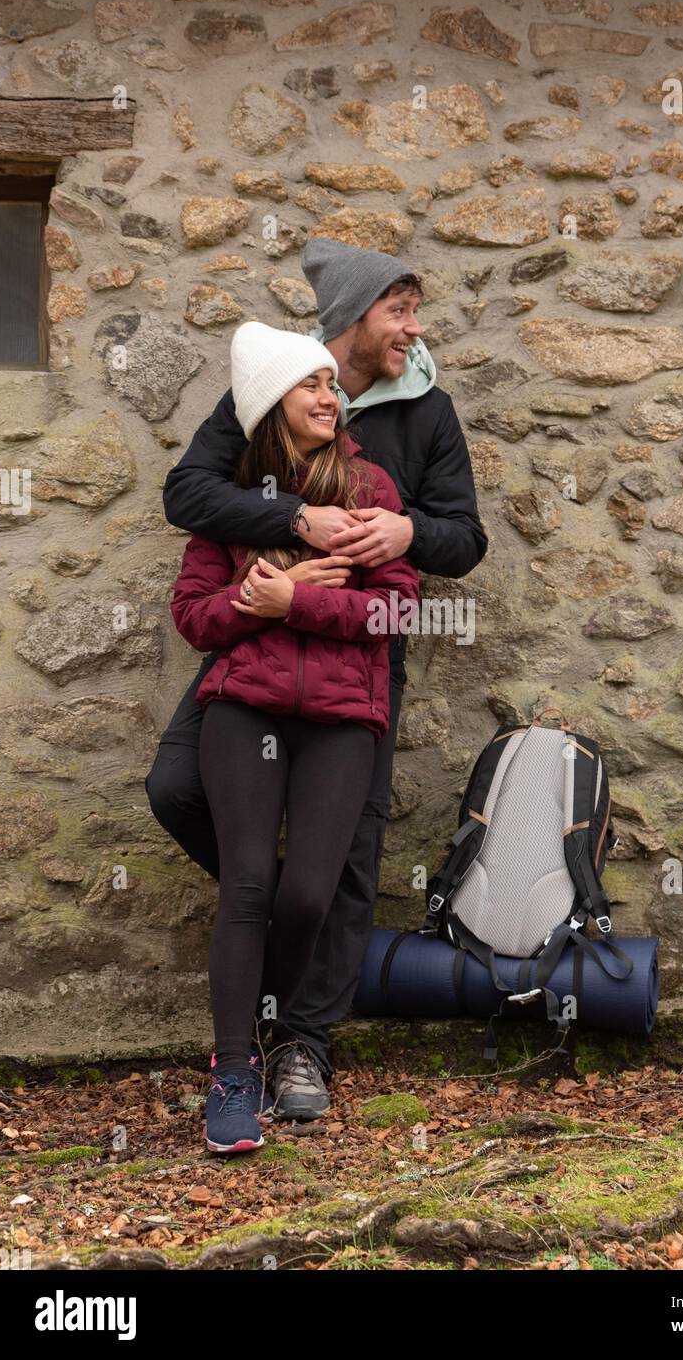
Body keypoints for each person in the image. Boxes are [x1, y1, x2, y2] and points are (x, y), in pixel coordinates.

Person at [146, 237, 488, 1122]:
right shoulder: (268, 393)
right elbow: (189, 495)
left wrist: (403, 535)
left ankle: (302, 1041)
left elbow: (463, 540)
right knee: (176, 789)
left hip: (355, 664)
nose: (414, 330)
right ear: (351, 321)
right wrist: (298, 520)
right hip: (252, 643)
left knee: (344, 860)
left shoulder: (426, 413)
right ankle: (260, 928)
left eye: (413, 313)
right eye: (399, 313)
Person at [169, 323, 419, 1152]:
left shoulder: (370, 486)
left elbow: (392, 610)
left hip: (344, 721)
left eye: (329, 383)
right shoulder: (234, 493)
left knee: (308, 892)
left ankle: (289, 1038)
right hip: (245, 709)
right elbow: (191, 617)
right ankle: (234, 1070)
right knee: (246, 887)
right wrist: (251, 599)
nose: (328, 395)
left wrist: (297, 603)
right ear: (271, 403)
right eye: (309, 384)